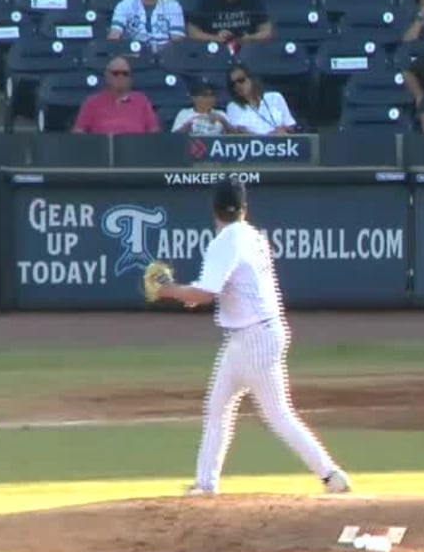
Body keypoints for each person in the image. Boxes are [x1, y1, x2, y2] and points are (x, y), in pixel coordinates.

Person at [151, 178, 354, 497]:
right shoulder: (252, 236)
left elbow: (206, 293)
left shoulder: (225, 241)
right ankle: (205, 485)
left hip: (255, 337)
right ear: (244, 208)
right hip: (252, 335)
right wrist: (186, 293)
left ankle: (331, 474)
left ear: (214, 210)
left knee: (277, 414)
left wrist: (169, 290)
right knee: (218, 408)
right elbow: (224, 288)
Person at [187, 0, 273, 49]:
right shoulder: (208, 0)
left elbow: (266, 31)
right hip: (215, 47)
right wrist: (216, 39)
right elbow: (192, 31)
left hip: (247, 47)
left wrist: (250, 38)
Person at [73, 55, 160, 134]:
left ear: (130, 78)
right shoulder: (92, 102)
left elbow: (154, 133)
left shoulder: (142, 101)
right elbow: (79, 133)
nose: (120, 77)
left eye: (125, 73)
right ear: (107, 76)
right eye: (116, 73)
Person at [108, 0, 187, 51]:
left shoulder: (173, 6)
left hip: (166, 53)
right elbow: (114, 35)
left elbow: (177, 40)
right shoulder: (125, 5)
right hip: (133, 52)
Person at [225, 63, 299, 134]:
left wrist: (284, 130)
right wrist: (269, 137)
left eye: (241, 80)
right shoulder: (233, 107)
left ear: (252, 79)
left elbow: (291, 125)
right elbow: (239, 134)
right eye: (233, 84)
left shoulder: (275, 97)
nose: (237, 86)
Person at [172, 80, 238, 135]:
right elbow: (173, 138)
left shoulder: (221, 114)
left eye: (211, 95)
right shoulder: (184, 113)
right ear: (194, 98)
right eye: (204, 95)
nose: (209, 99)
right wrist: (187, 126)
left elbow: (236, 137)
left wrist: (223, 121)